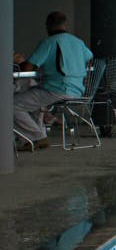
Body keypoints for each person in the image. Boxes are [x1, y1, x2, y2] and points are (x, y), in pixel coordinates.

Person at [14, 11, 93, 151]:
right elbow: (88, 57)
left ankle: (38, 137)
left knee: (11, 105)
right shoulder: (77, 42)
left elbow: (28, 68)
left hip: (56, 90)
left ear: (47, 26)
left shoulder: (49, 42)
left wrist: (18, 61)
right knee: (32, 97)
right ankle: (37, 137)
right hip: (77, 90)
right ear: (65, 24)